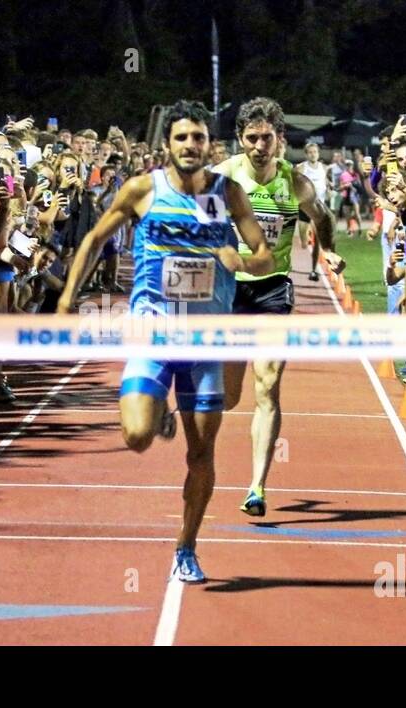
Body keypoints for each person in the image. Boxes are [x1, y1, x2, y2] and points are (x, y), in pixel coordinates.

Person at [57, 100, 273, 582]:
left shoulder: (227, 192)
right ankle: (158, 416)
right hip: (152, 332)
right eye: (181, 138)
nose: (191, 145)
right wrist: (68, 296)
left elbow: (263, 251)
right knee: (136, 436)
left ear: (209, 144)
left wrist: (243, 262)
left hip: (207, 343)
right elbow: (94, 240)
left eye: (198, 137)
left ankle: (187, 546)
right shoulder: (142, 190)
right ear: (167, 145)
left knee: (202, 453)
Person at [213, 97, 345, 516]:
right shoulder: (223, 177)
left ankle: (256, 486)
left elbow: (321, 216)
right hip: (229, 292)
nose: (258, 146)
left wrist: (329, 251)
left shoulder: (296, 183)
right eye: (251, 138)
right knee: (229, 396)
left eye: (266, 138)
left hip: (273, 292)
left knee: (267, 386)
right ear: (240, 139)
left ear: (280, 140)